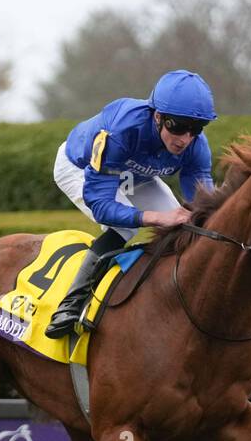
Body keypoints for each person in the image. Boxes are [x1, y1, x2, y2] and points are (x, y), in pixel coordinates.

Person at [45, 70, 217, 338]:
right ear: (157, 117)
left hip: (139, 174)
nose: (185, 138)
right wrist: (153, 217)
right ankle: (70, 304)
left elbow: (203, 204)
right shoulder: (122, 131)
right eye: (177, 126)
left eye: (195, 129)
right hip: (81, 167)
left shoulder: (196, 146)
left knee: (183, 229)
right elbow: (101, 205)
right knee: (126, 229)